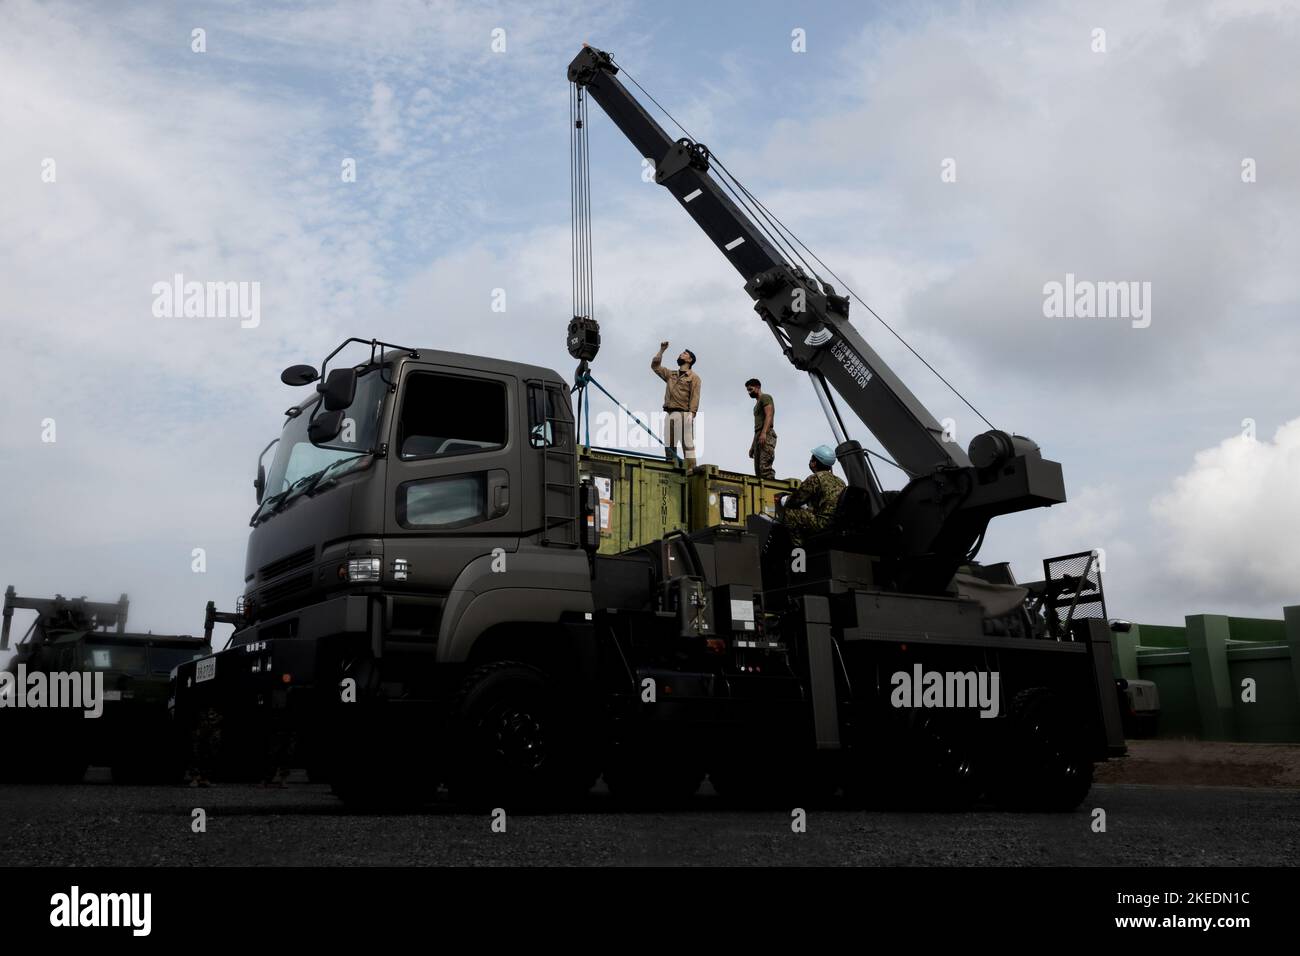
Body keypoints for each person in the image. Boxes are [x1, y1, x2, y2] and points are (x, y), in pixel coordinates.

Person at [779, 444, 846, 545]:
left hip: (823, 524)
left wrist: (784, 499)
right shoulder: (840, 481)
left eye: (811, 460)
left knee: (789, 513)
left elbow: (794, 501)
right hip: (838, 523)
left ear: (814, 463)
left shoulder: (815, 478)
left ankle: (799, 550)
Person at [651, 340, 701, 471]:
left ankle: (691, 471)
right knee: (669, 446)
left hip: (684, 414)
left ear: (690, 360)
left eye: (684, 354)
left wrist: (692, 414)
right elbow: (655, 366)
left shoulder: (694, 377)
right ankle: (671, 469)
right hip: (670, 414)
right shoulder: (671, 374)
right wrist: (662, 350)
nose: (680, 354)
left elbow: (695, 397)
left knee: (687, 445)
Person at [745, 378, 776, 479]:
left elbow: (769, 415)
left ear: (758, 387)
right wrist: (753, 446)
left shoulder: (765, 398)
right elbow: (757, 429)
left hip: (766, 434)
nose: (749, 392)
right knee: (758, 472)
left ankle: (771, 492)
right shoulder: (756, 406)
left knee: (765, 469)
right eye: (748, 390)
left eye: (751, 389)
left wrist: (764, 433)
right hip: (759, 435)